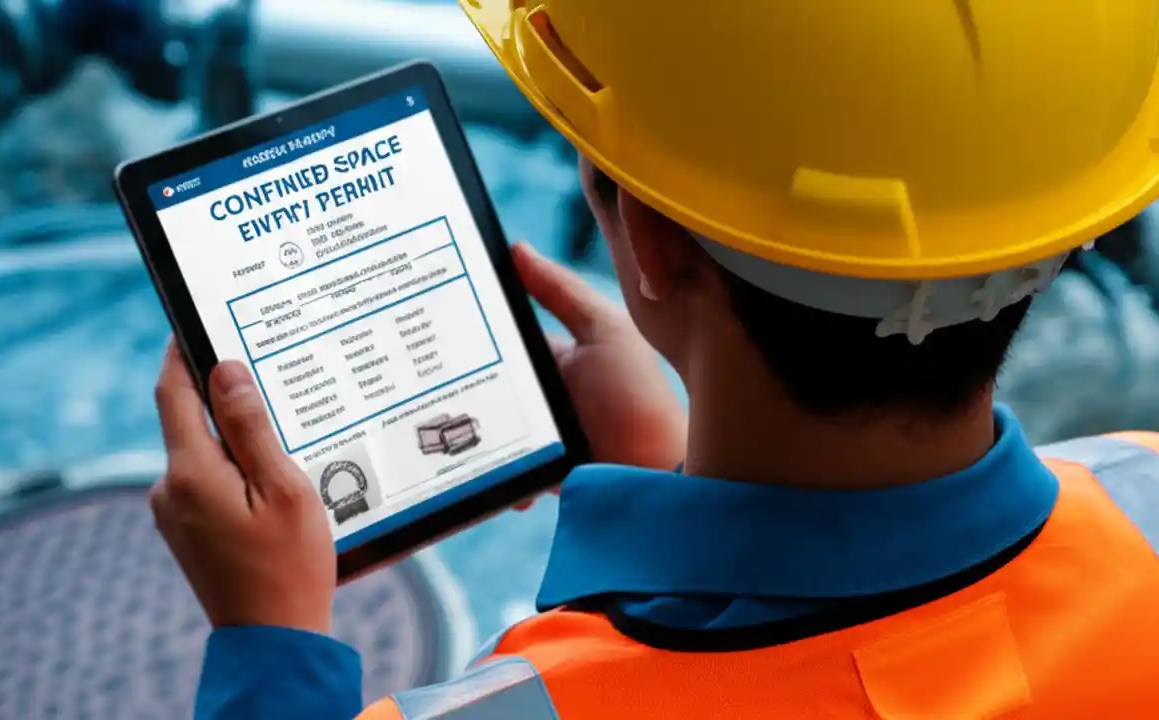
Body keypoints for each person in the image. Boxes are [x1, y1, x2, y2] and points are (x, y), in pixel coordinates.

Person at [150, 2, 1159, 717]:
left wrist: (270, 640)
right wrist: (661, 465)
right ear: (1059, 227)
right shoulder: (1143, 487)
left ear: (649, 239)